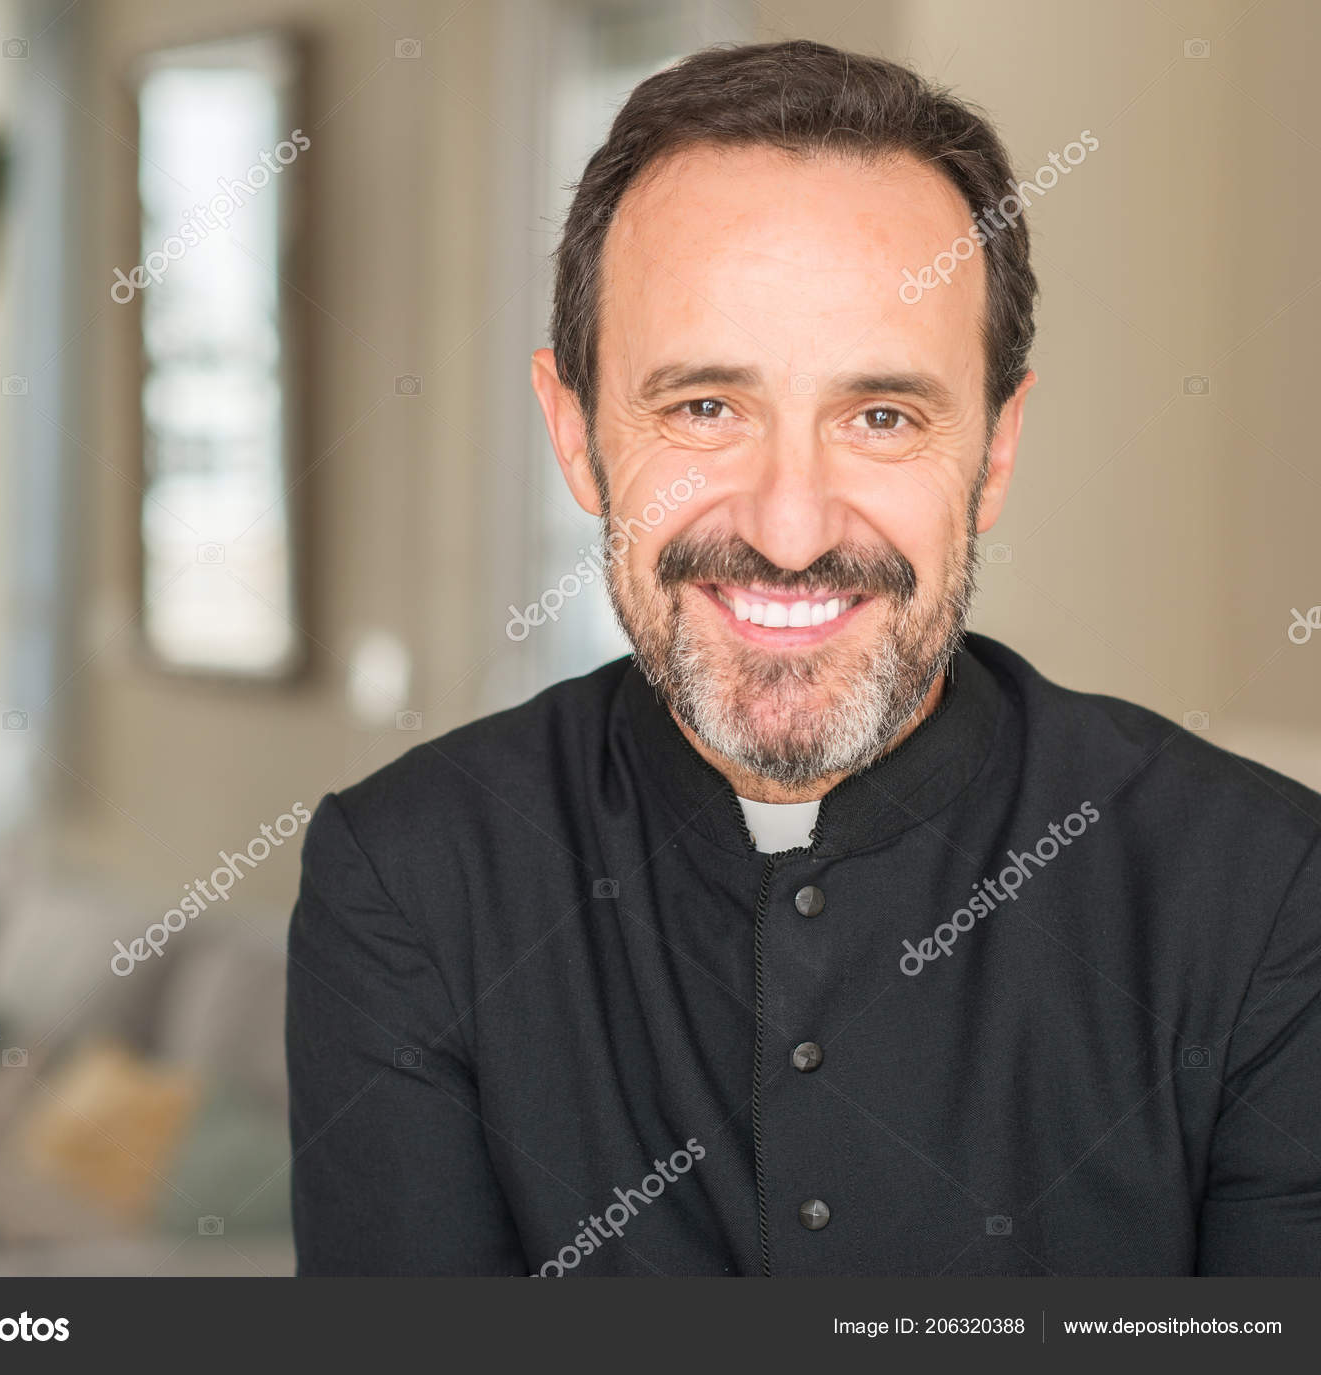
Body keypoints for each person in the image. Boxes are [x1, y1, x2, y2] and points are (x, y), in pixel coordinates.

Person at [286, 39, 1321, 1276]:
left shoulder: (1263, 895)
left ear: (992, 453)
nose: (789, 528)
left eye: (881, 417)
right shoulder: (410, 877)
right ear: (575, 436)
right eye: (703, 409)